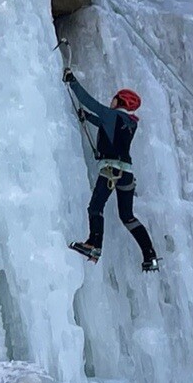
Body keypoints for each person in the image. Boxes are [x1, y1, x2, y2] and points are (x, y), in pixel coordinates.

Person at [65, 69, 160, 271]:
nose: (111, 101)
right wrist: (88, 118)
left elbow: (89, 101)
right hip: (126, 174)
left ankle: (94, 245)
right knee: (127, 216)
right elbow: (104, 124)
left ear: (120, 101)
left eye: (115, 99)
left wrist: (72, 81)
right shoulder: (129, 123)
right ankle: (149, 255)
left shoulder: (112, 115)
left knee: (95, 208)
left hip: (110, 171)